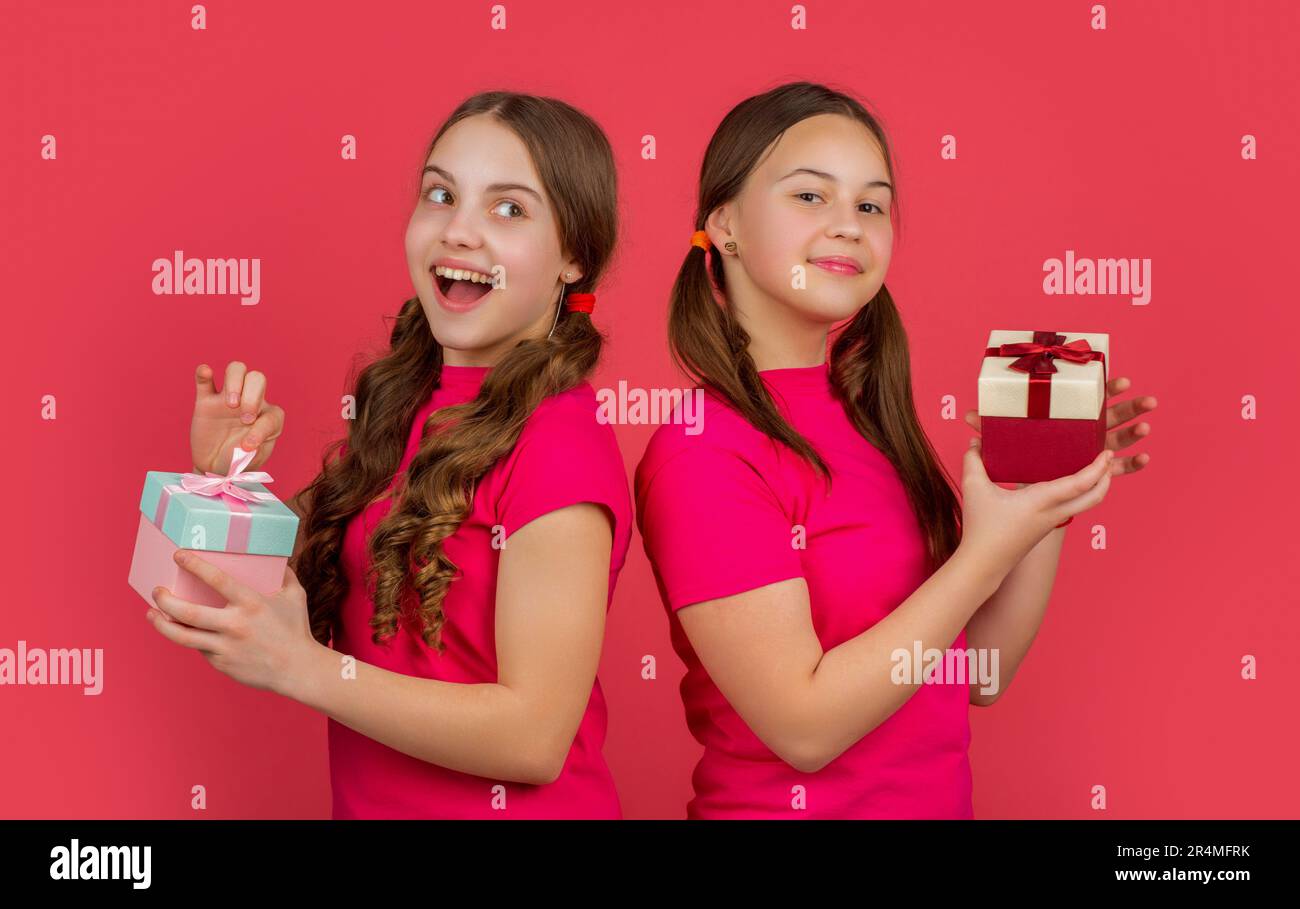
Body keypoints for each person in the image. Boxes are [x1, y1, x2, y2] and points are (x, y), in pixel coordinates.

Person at [634, 81, 1157, 819]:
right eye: (811, 197)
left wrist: (1044, 494)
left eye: (870, 205)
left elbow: (979, 672)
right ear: (724, 225)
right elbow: (803, 726)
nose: (849, 226)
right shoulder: (700, 451)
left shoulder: (873, 424)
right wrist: (982, 554)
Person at [147, 91, 632, 819]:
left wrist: (308, 671)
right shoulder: (404, 404)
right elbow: (258, 590)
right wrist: (224, 480)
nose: (459, 231)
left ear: (573, 257)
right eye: (441, 194)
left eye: (509, 209)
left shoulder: (560, 445)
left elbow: (536, 736)